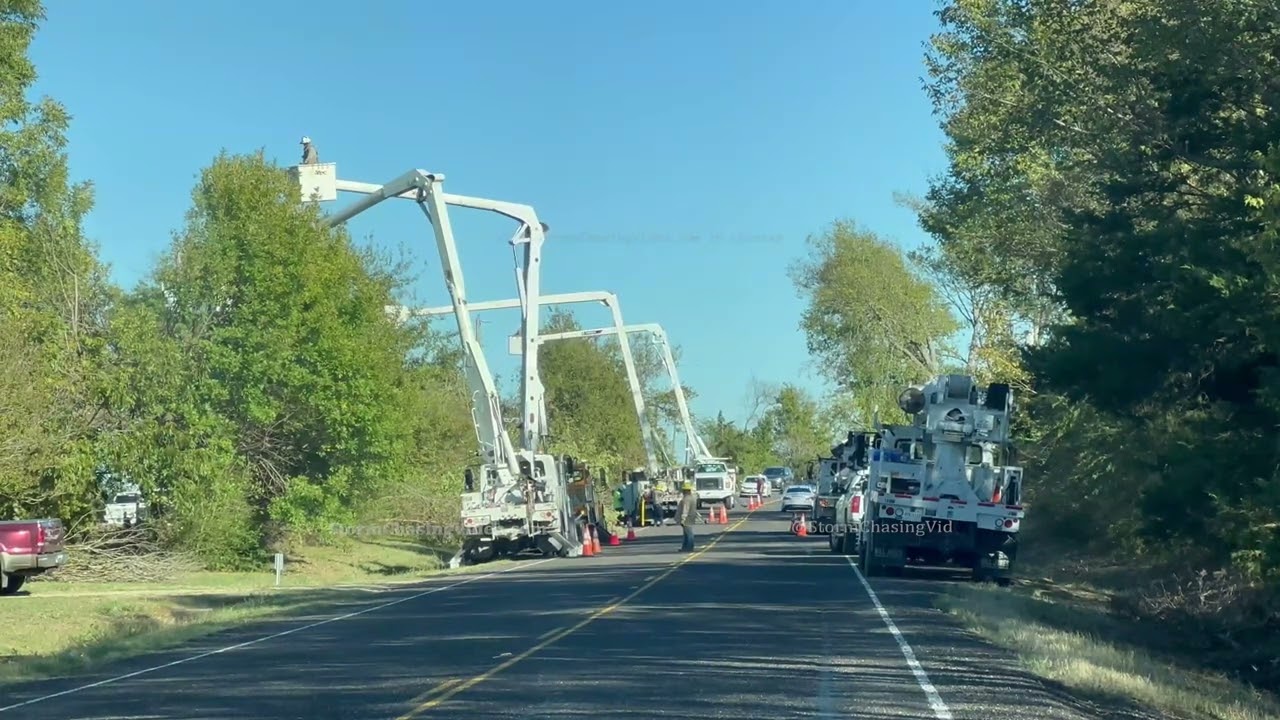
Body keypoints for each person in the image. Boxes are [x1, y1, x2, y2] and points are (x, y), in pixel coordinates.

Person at [677, 481, 700, 552]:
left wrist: (683, 519)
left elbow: (685, 509)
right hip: (691, 516)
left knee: (688, 534)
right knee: (686, 534)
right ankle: (685, 547)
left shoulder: (686, 499)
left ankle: (689, 548)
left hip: (687, 518)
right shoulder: (692, 498)